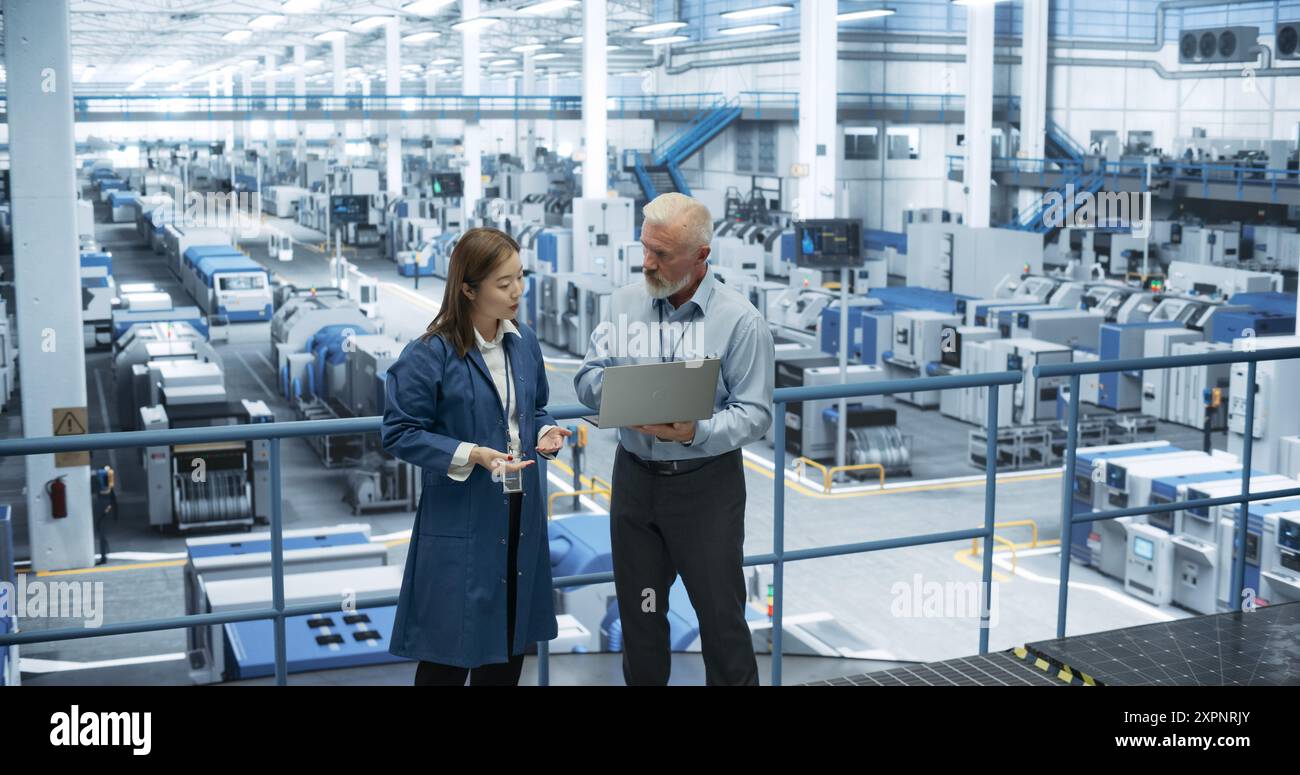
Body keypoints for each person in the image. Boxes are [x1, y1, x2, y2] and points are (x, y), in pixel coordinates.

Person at [574, 192, 775, 686]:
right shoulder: (623, 303)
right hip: (635, 485)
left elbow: (754, 414)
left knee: (721, 622)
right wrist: (625, 393)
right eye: (644, 249)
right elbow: (586, 378)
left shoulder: (740, 322)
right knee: (640, 619)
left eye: (661, 254)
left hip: (705, 489)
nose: (647, 263)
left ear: (701, 256)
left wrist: (696, 431)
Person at [382, 227, 570, 685]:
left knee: (507, 652)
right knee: (446, 658)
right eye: (503, 284)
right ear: (468, 288)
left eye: (520, 278)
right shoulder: (430, 354)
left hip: (518, 514)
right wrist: (473, 455)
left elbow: (535, 407)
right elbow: (399, 430)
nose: (517, 292)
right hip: (462, 520)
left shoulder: (522, 343)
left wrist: (544, 432)